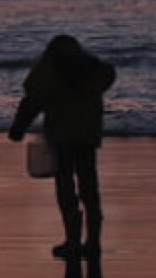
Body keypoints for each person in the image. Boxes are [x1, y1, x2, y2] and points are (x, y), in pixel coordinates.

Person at [8, 35, 117, 259]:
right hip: (87, 136)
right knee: (89, 188)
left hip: (62, 137)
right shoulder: (93, 72)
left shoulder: (48, 74)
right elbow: (108, 75)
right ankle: (93, 242)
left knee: (66, 188)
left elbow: (32, 101)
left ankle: (73, 240)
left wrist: (18, 128)